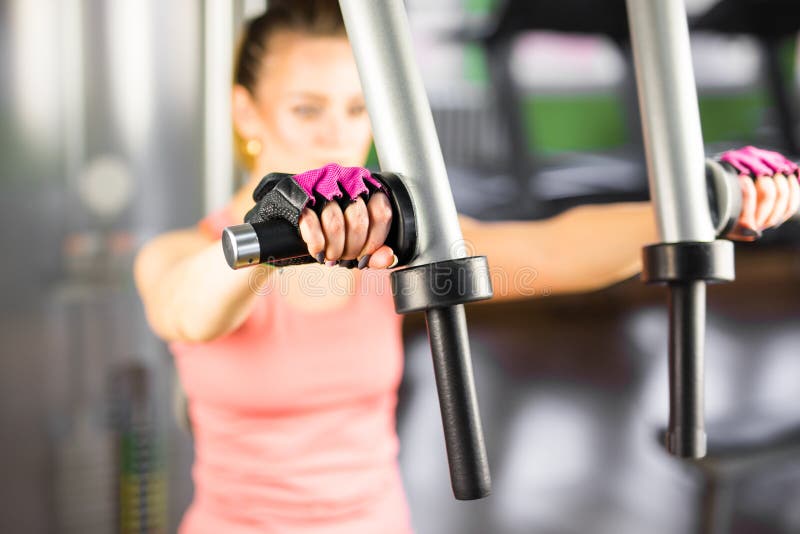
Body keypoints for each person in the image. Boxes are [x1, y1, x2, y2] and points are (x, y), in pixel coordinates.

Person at [133, 1, 800, 532]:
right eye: (306, 108)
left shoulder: (388, 249)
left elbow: (552, 252)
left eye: (356, 109)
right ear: (246, 111)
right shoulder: (179, 252)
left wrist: (702, 202)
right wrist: (271, 234)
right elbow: (186, 309)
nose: (332, 134)